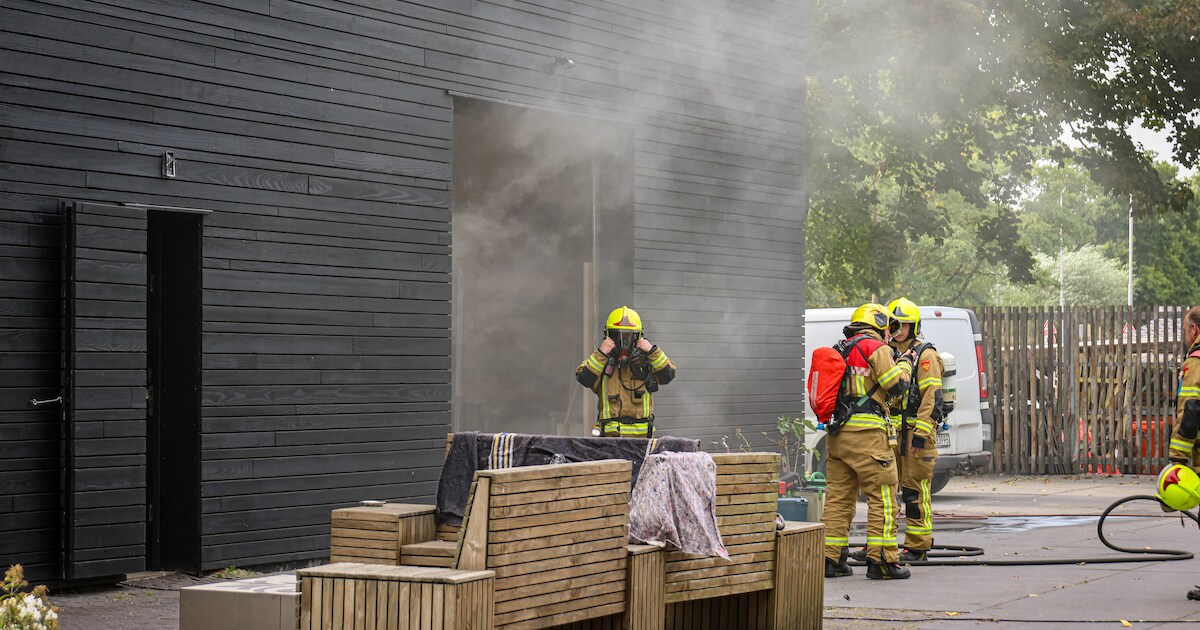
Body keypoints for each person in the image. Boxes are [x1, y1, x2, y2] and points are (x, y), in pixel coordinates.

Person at [823, 303, 914, 580]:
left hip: (838, 438)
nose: (890, 335)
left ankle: (831, 560)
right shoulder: (876, 349)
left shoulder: (841, 349)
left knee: (838, 499)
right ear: (878, 324)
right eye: (888, 329)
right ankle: (883, 561)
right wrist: (905, 364)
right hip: (869, 438)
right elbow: (896, 386)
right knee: (884, 498)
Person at [886, 297, 946, 562]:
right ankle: (884, 545)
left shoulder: (926, 356)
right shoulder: (886, 352)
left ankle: (918, 546)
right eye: (894, 325)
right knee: (885, 491)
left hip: (915, 435)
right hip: (891, 436)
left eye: (904, 325)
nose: (898, 330)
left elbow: (931, 398)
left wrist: (921, 436)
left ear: (914, 326)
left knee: (914, 492)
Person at [575, 306, 676, 438]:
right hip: (610, 440)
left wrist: (651, 351)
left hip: (641, 443)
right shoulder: (601, 362)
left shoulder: (647, 362)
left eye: (629, 336)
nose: (623, 342)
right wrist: (601, 353)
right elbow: (584, 378)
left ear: (638, 337)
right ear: (608, 337)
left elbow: (668, 374)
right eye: (618, 336)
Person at [1166, 305, 1200, 599]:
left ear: (1195, 330)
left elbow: (1190, 411)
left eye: (1185, 330)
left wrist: (1177, 459)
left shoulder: (1196, 363)